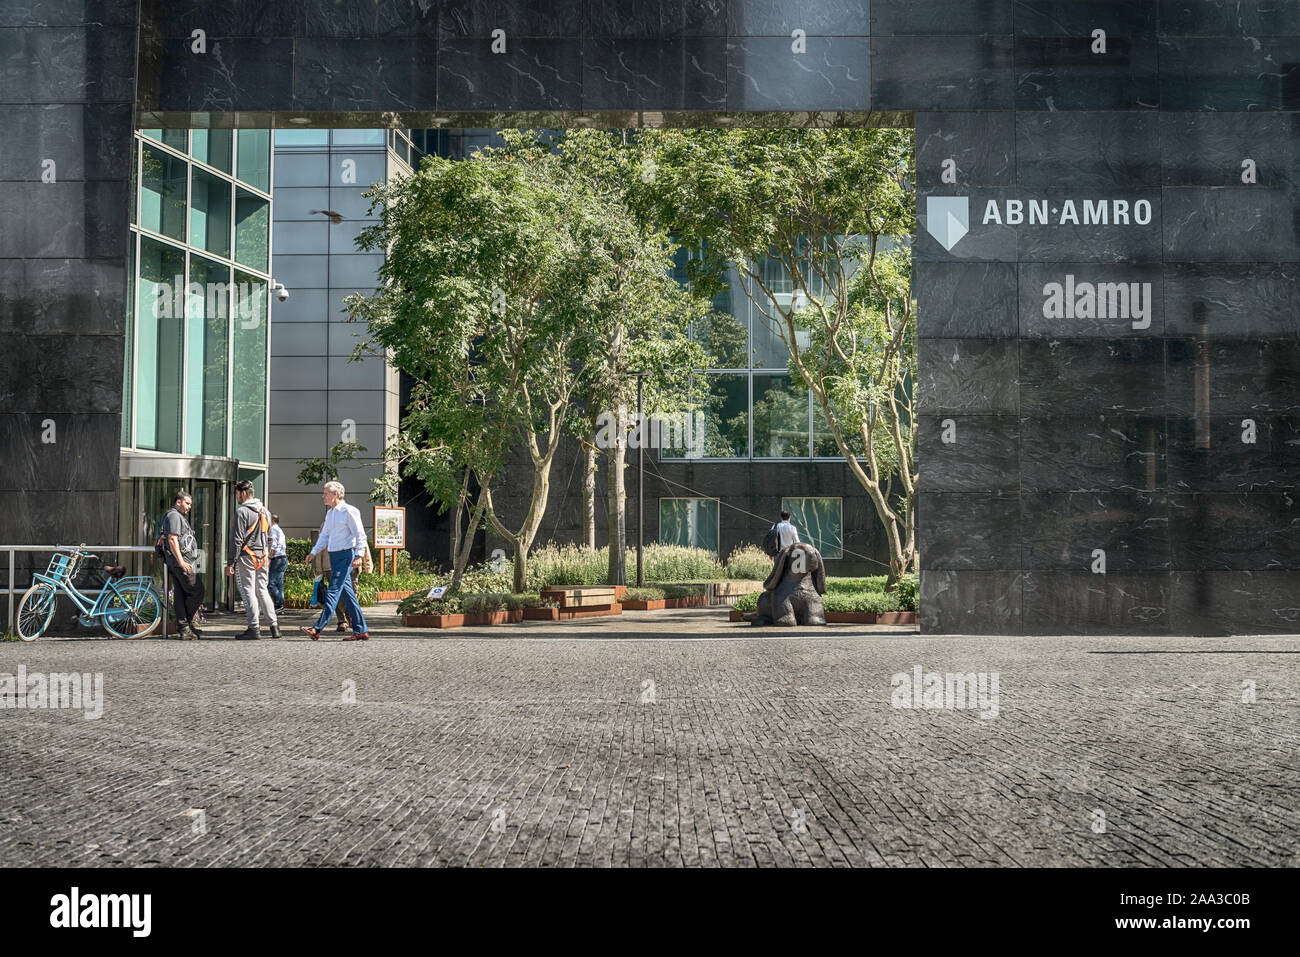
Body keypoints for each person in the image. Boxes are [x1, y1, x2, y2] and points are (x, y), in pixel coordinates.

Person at [300, 481, 370, 642]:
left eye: (325, 493)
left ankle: (317, 629)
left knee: (332, 591)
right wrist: (313, 552)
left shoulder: (349, 511)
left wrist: (359, 555)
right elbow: (324, 536)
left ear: (335, 495)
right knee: (348, 595)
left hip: (345, 555)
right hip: (335, 556)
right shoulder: (330, 513)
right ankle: (361, 630)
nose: (323, 496)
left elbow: (360, 535)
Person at [225, 480, 280, 640]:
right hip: (262, 557)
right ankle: (274, 627)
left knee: (248, 590)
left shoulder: (241, 512)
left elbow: (237, 539)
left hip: (246, 556)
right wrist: (267, 554)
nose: (236, 497)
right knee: (262, 590)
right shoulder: (265, 511)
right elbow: (270, 537)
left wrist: (230, 562)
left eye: (237, 494)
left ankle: (254, 628)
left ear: (242, 493)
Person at [161, 489, 204, 640]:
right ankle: (185, 624)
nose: (189, 507)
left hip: (180, 562)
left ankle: (184, 627)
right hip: (181, 563)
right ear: (178, 502)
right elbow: (172, 539)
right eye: (187, 503)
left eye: (190, 504)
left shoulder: (176, 516)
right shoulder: (174, 516)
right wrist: (181, 562)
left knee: (180, 594)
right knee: (197, 590)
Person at [267, 513, 288, 611]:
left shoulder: (273, 529)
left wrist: (269, 558)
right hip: (283, 558)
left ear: (272, 521)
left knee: (271, 584)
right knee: (279, 584)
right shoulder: (280, 530)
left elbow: (274, 545)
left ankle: (279, 603)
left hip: (277, 559)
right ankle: (280, 606)